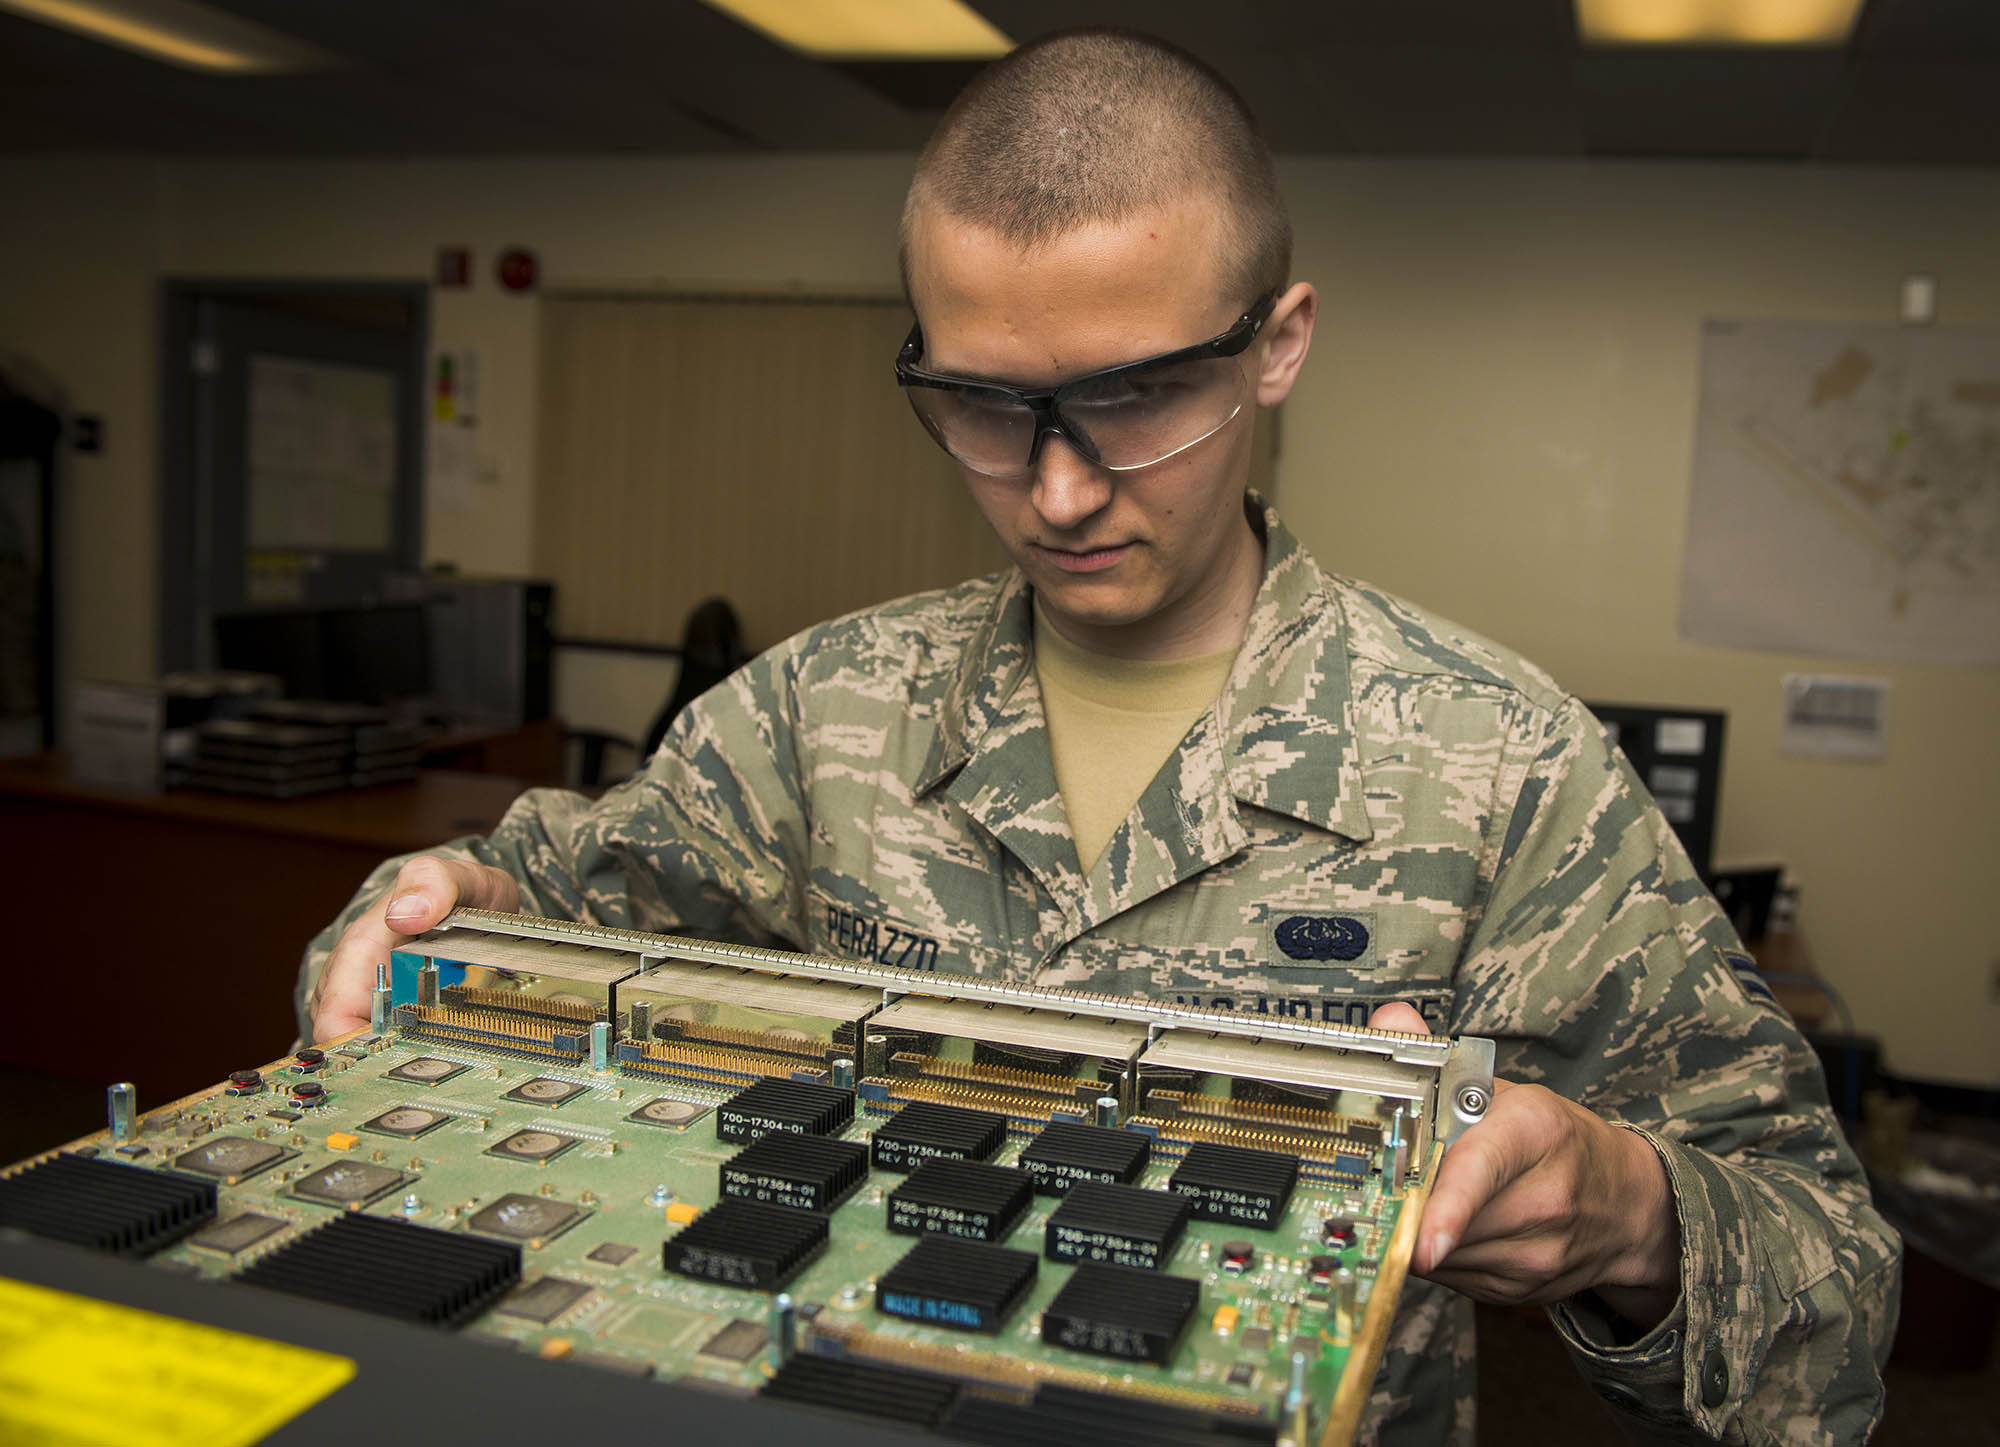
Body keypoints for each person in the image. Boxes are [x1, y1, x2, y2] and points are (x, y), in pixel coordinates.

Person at [298, 29, 1898, 1445]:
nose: (1057, 492)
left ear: (1278, 342)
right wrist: (428, 917)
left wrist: (1636, 1222)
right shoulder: (816, 715)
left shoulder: (1501, 769)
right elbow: (503, 916)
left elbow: (1832, 1296)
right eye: (985, 406)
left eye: (1133, 400)